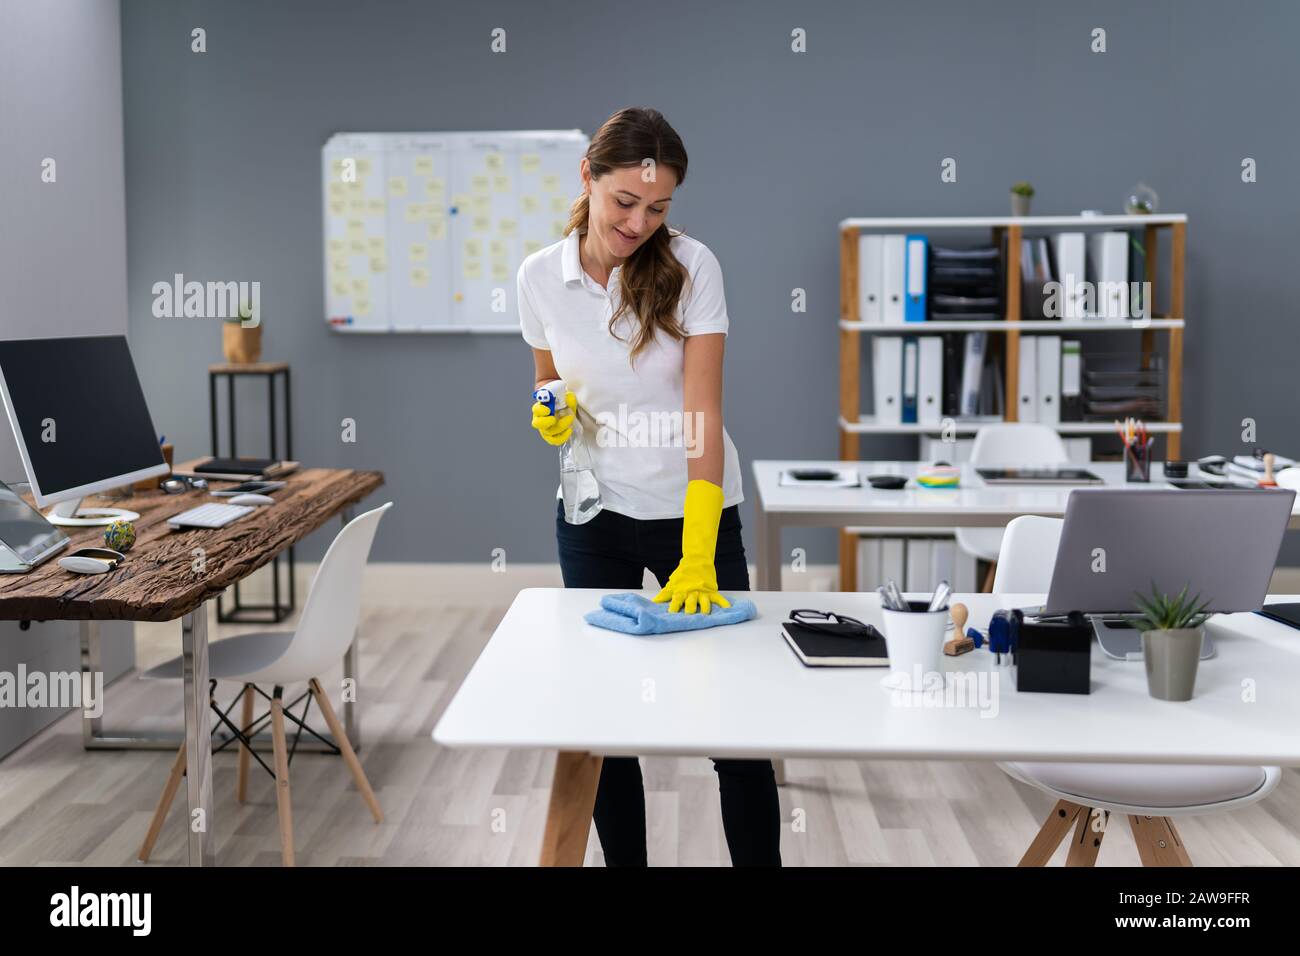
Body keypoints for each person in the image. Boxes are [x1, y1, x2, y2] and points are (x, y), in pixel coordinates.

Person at [517, 107, 781, 866]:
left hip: (693, 511)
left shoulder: (694, 268)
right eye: (625, 202)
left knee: (735, 726)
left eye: (658, 207)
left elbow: (702, 413)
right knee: (603, 722)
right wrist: (551, 409)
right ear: (588, 177)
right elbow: (548, 379)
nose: (639, 223)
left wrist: (699, 546)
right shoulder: (539, 276)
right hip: (593, 514)